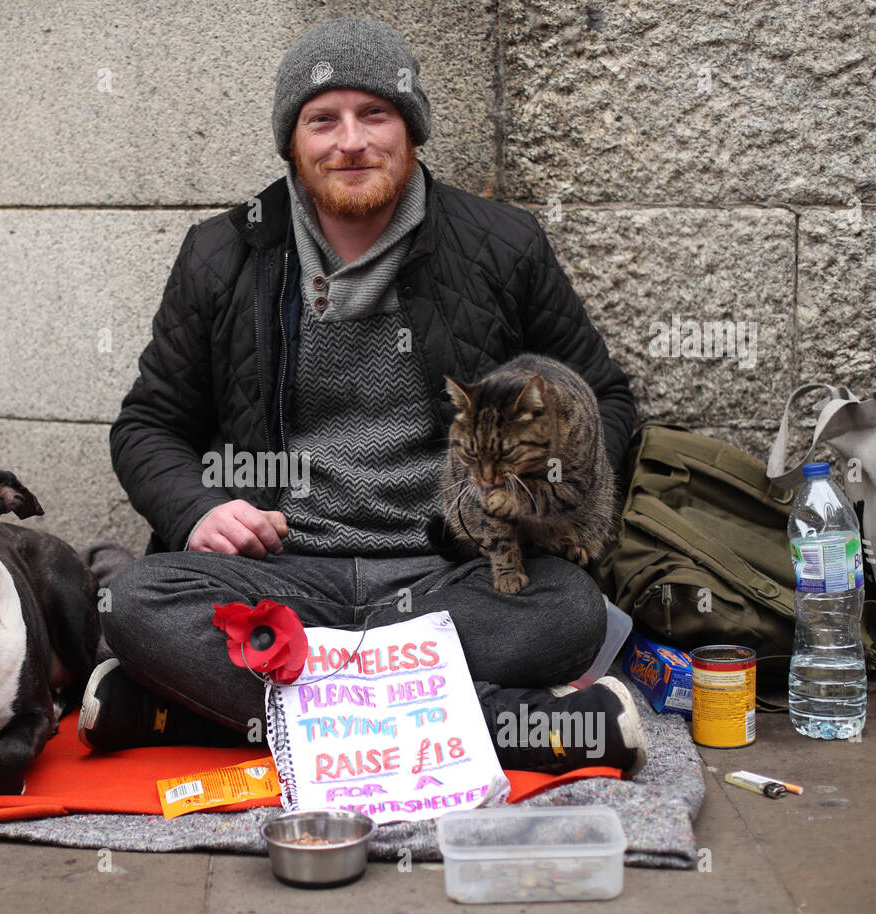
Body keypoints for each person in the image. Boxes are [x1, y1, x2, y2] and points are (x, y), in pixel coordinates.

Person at [79, 17, 646, 775]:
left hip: (448, 575)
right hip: (280, 577)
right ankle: (510, 722)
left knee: (570, 609)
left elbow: (604, 399)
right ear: (292, 143)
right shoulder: (222, 254)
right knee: (141, 600)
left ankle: (199, 709)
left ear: (411, 131)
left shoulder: (501, 246)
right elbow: (148, 424)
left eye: (374, 113)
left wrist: (542, 496)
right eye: (323, 120)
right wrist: (197, 510)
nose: (350, 141)